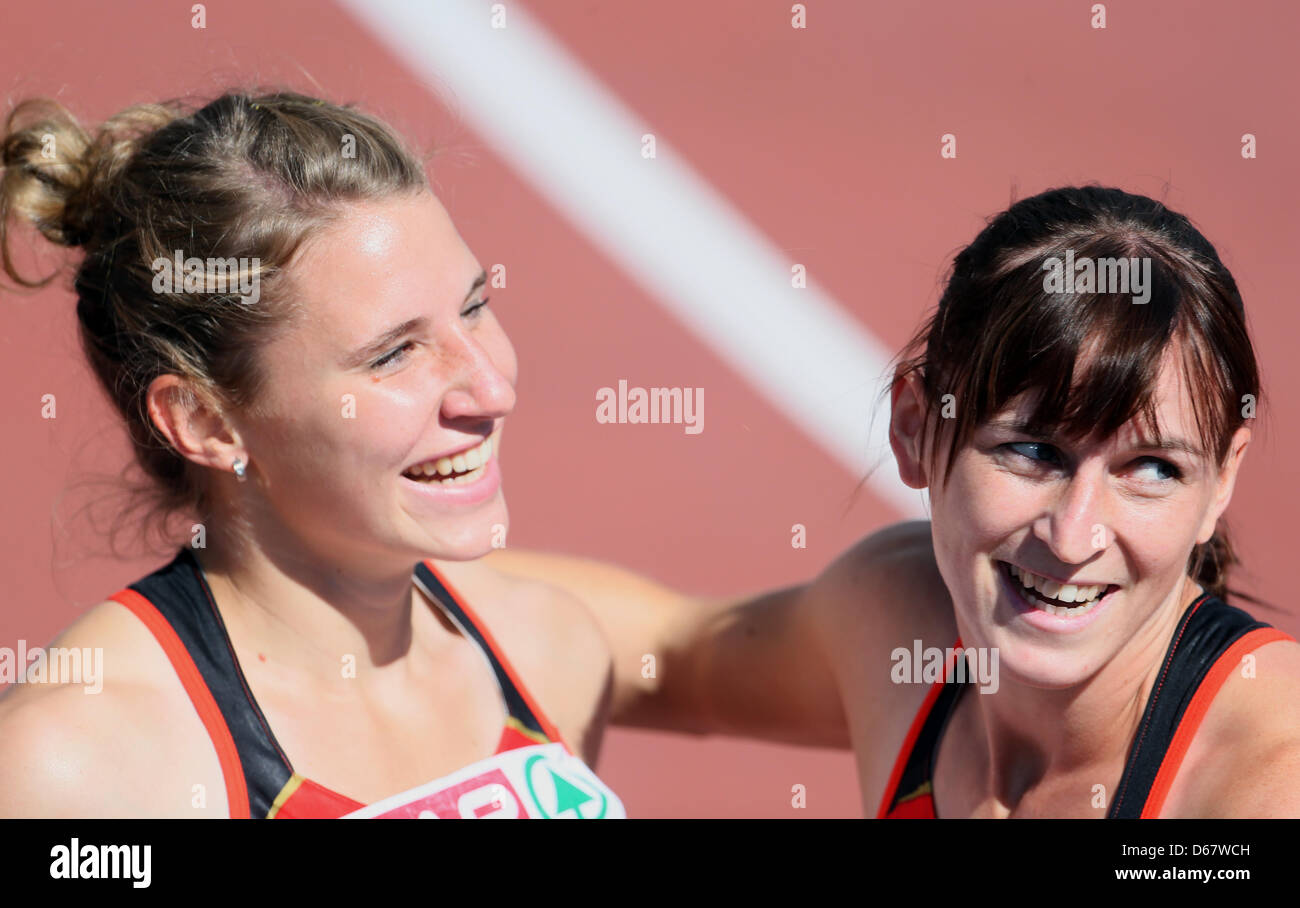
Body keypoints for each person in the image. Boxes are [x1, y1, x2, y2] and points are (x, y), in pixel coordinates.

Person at [487, 186, 1300, 818]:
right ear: (916, 429)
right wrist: (372, 571)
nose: (1076, 532)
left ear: (1222, 479)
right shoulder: (901, 625)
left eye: (1152, 469)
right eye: (1033, 451)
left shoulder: (1265, 785)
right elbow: (665, 656)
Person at [0, 91, 631, 818]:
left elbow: (736, 650)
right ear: (207, 421)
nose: (491, 389)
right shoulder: (78, 770)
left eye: (474, 307)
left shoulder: (548, 647)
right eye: (394, 354)